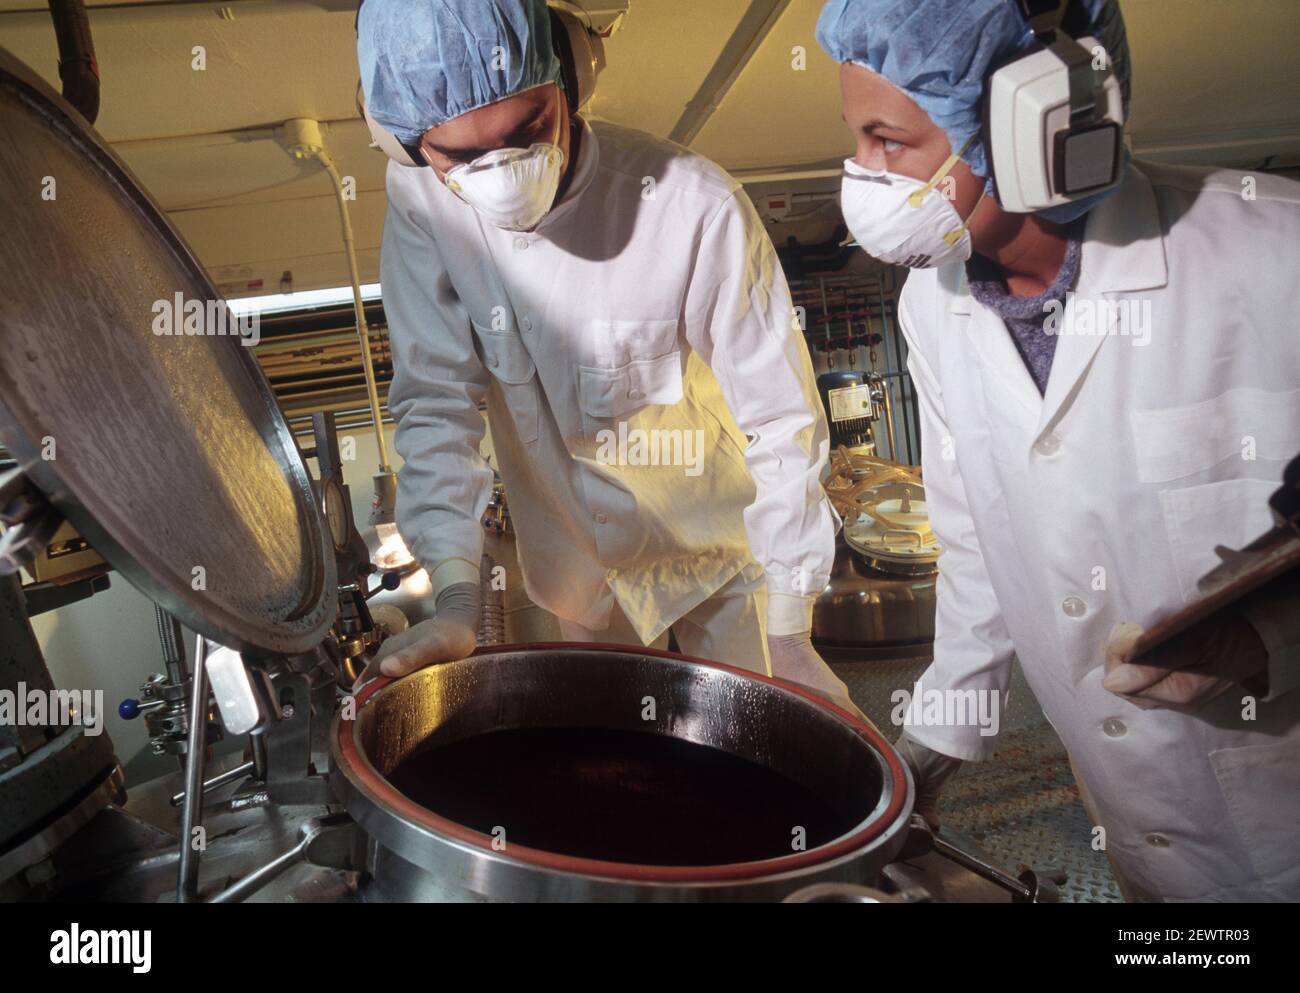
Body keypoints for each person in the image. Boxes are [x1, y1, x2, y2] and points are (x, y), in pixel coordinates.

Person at [817, 0, 1300, 900]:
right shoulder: (934, 305)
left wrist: (1272, 634)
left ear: (1038, 123)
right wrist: (930, 749)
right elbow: (976, 545)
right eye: (855, 141)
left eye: (890, 142)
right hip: (1147, 852)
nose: (862, 179)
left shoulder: (1276, 259)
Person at [356, 0, 853, 708]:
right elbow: (436, 399)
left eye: (527, 132)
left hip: (720, 555)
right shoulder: (421, 207)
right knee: (619, 782)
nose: (499, 175)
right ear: (407, 145)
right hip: (580, 576)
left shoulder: (692, 204)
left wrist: (793, 627)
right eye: (460, 157)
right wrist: (458, 599)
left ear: (573, 75)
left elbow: (783, 418)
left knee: (754, 765)